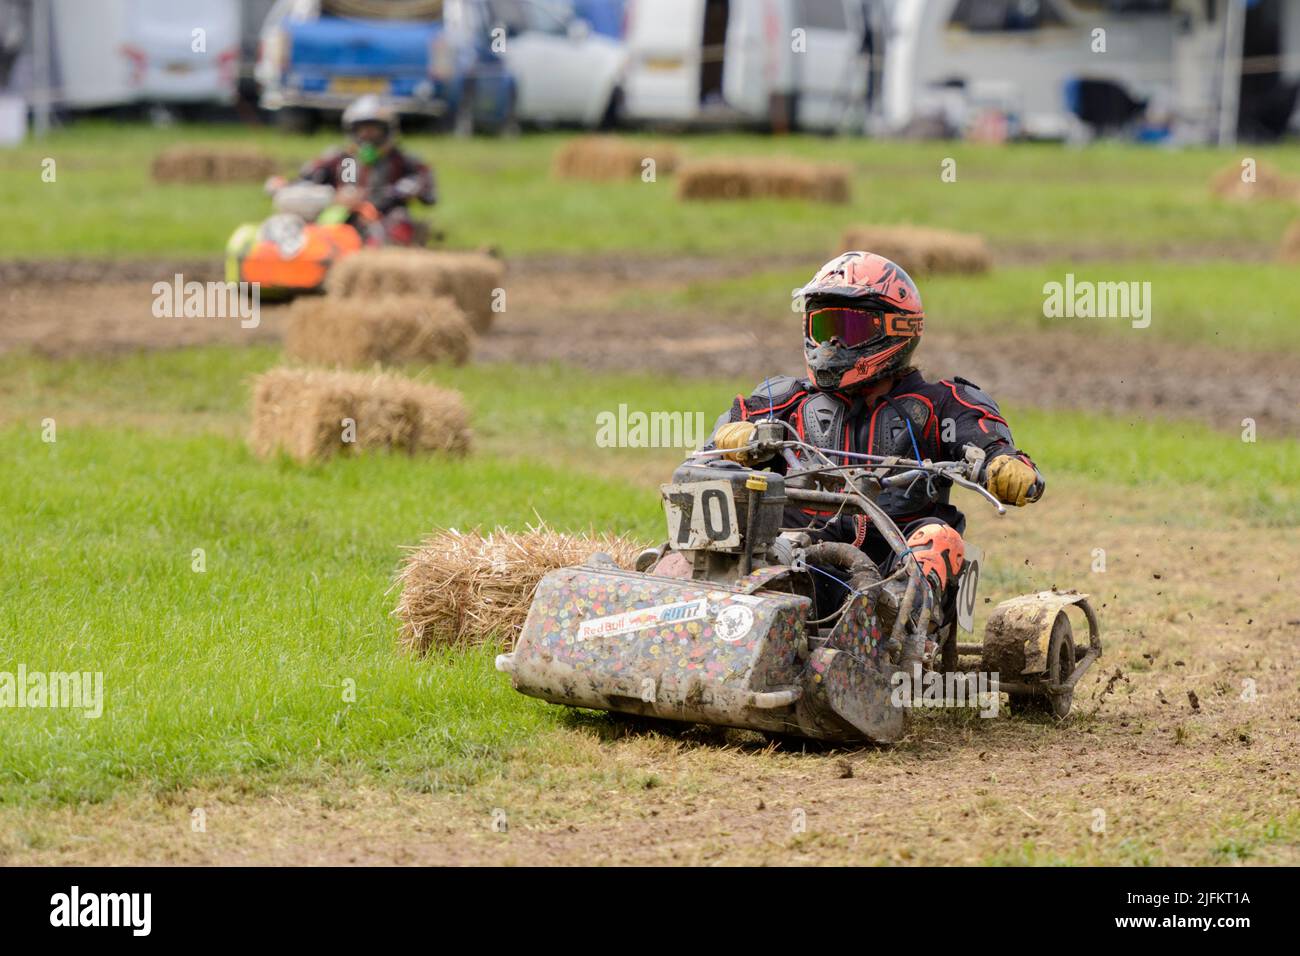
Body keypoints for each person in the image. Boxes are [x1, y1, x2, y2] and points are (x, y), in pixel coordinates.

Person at [704, 251, 1044, 632]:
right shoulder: (783, 400)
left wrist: (1003, 467)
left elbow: (993, 445)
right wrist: (733, 441)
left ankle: (894, 636)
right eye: (822, 330)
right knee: (741, 537)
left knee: (938, 537)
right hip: (804, 552)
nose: (831, 345)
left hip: (895, 560)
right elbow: (708, 458)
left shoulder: (941, 403)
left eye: (847, 330)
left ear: (896, 328)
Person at [295, 95, 436, 245]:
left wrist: (388, 194)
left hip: (384, 215)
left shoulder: (402, 159)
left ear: (387, 131)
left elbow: (427, 192)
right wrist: (333, 196)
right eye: (362, 130)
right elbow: (304, 179)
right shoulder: (342, 158)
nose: (367, 135)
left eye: (374, 130)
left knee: (398, 222)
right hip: (342, 214)